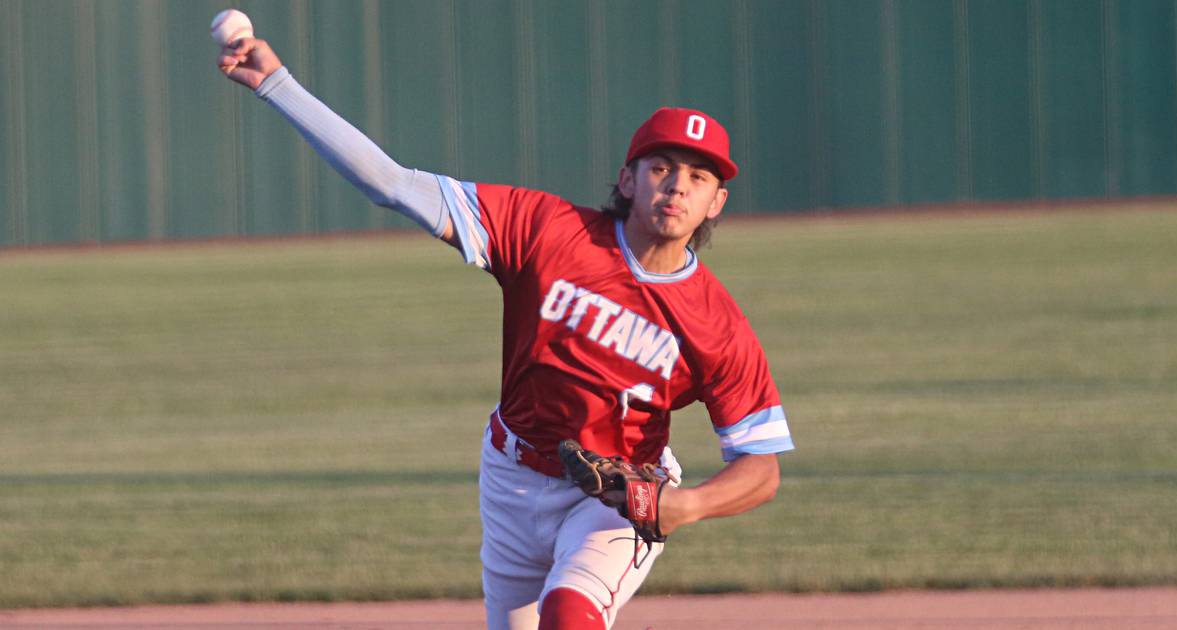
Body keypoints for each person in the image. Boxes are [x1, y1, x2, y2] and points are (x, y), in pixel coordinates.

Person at [218, 34, 793, 630]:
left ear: (715, 203)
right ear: (628, 180)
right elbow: (391, 184)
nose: (677, 185)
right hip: (511, 479)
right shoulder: (547, 231)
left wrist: (687, 505)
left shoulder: (716, 323)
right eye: (662, 167)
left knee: (569, 616)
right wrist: (277, 85)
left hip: (616, 499)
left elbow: (761, 466)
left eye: (698, 177)